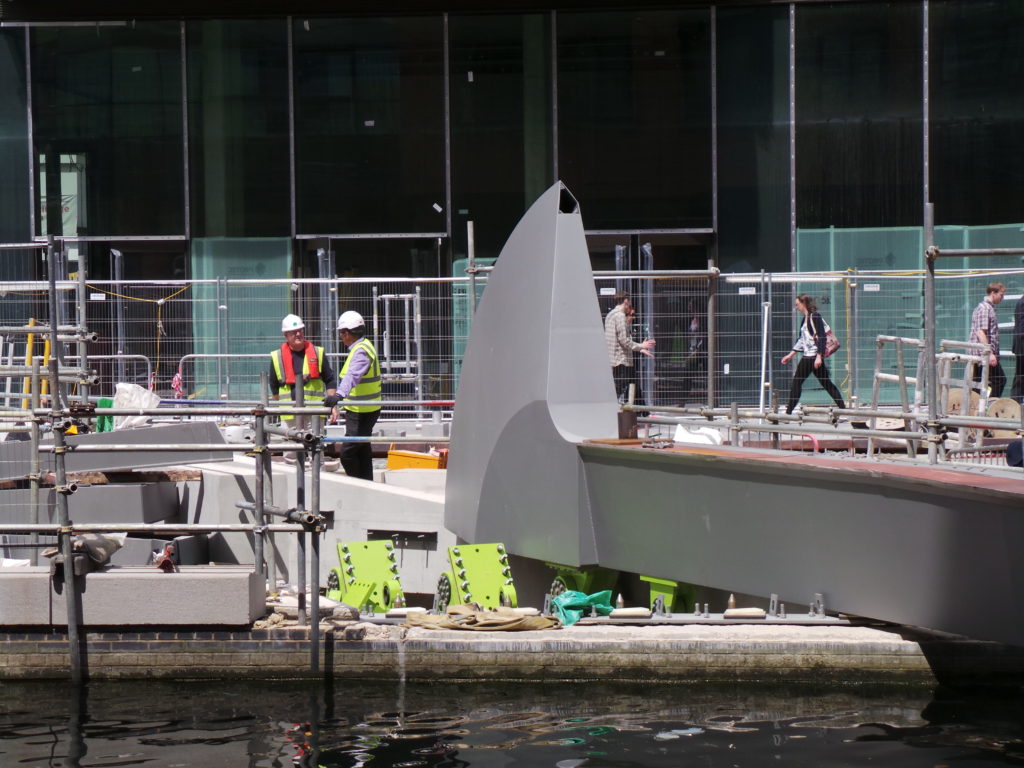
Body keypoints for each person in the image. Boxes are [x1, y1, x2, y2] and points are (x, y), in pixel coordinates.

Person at [328, 310, 382, 481]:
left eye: (342, 333)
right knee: (362, 449)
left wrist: (338, 395)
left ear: (347, 333)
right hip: (362, 409)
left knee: (348, 454)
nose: (341, 337)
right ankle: (368, 485)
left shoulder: (361, 351)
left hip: (362, 411)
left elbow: (353, 375)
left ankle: (360, 486)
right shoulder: (363, 346)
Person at [781, 294, 846, 414]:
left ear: (804, 303)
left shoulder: (814, 316)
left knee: (797, 382)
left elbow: (821, 337)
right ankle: (843, 409)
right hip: (813, 357)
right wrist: (791, 355)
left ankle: (788, 413)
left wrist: (819, 356)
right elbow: (802, 339)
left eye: (797, 304)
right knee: (826, 383)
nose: (796, 307)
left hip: (812, 357)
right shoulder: (805, 319)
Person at [269, 314, 337, 426]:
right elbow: (274, 388)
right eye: (293, 332)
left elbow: (330, 381)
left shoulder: (317, 353)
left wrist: (333, 405)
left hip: (314, 414)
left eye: (300, 330)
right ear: (285, 335)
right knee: (291, 443)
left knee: (315, 442)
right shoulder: (277, 357)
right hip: (289, 415)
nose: (298, 334)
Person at [604, 291, 654, 403]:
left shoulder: (610, 315)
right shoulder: (620, 316)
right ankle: (610, 410)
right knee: (618, 388)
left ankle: (640, 412)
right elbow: (624, 340)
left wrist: (641, 348)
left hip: (613, 358)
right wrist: (641, 345)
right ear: (626, 301)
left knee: (624, 385)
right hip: (620, 359)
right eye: (629, 302)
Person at [969, 282, 1007, 399]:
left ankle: (977, 406)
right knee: (1000, 380)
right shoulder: (985, 309)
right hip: (983, 355)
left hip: (983, 354)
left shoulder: (988, 308)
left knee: (978, 383)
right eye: (1001, 294)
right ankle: (990, 405)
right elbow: (981, 332)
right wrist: (989, 353)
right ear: (993, 293)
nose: (1002, 298)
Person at [1011, 290, 1023, 403]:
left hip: (1020, 346)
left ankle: (1016, 401)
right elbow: (1021, 327)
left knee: (1020, 375)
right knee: (1020, 376)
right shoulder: (1022, 303)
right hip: (1022, 346)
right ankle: (1015, 402)